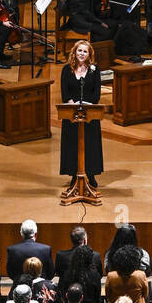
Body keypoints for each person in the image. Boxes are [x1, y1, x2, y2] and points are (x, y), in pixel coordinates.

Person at [60, 40, 104, 193]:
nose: (82, 54)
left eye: (85, 51)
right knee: (72, 143)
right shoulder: (66, 69)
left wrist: (86, 105)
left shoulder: (94, 70)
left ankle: (90, 174)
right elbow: (65, 93)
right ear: (74, 52)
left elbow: (96, 94)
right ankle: (74, 174)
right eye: (79, 50)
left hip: (89, 114)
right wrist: (72, 105)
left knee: (90, 144)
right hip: (72, 114)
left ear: (89, 54)